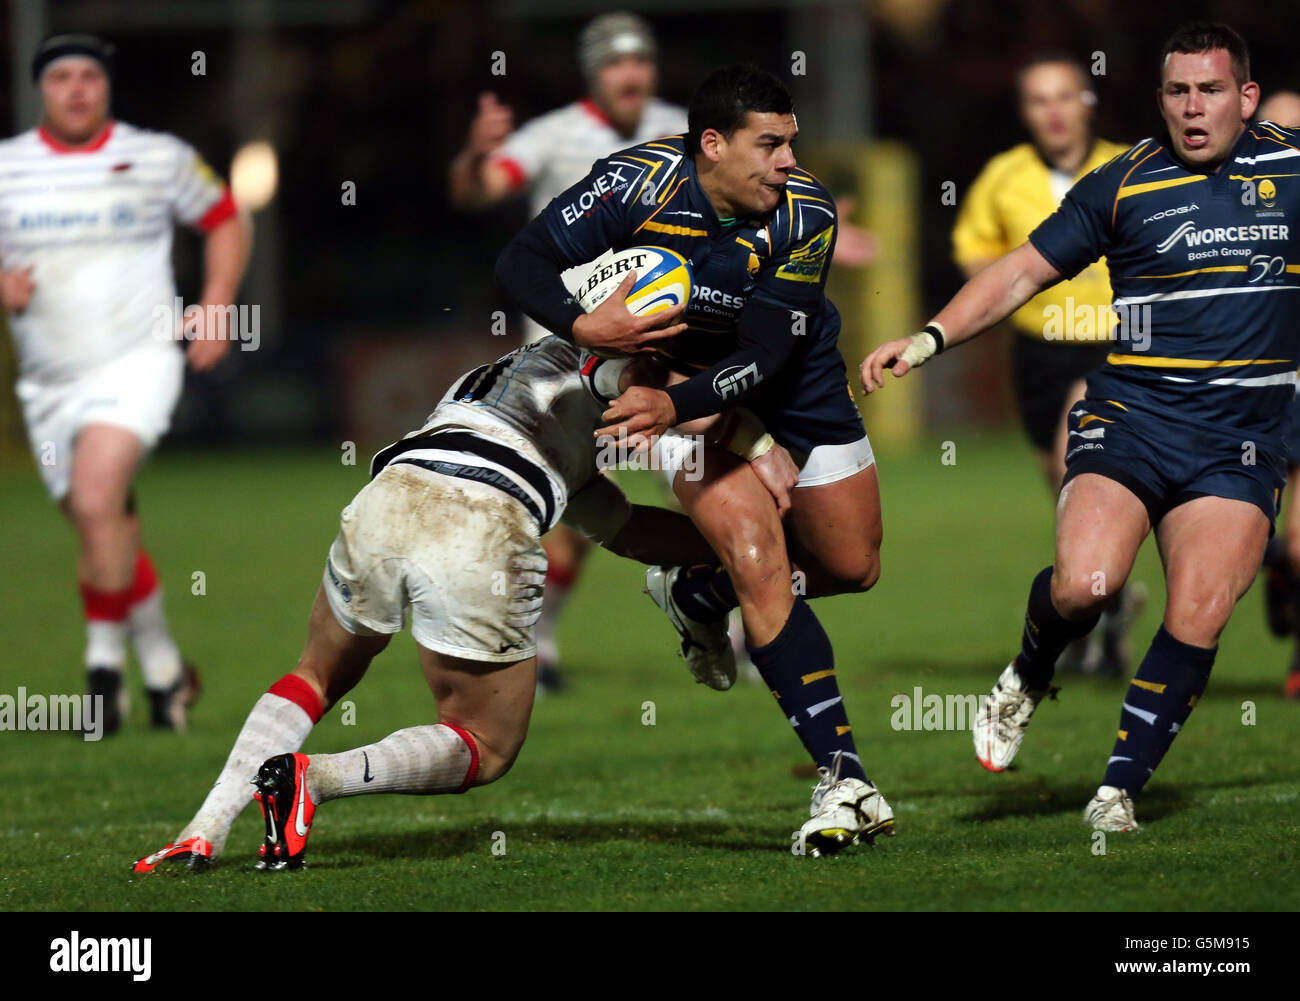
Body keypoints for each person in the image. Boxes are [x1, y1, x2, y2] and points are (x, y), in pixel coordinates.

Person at [132, 335, 796, 871]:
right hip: (481, 521)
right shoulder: (608, 364)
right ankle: (318, 778)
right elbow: (624, 382)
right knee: (486, 741)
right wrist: (757, 441)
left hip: (391, 496)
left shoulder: (505, 374)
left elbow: (618, 525)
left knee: (314, 673)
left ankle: (203, 828)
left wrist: (739, 553)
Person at [862, 23, 1292, 832]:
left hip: (1243, 442)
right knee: (1085, 587)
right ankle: (1029, 672)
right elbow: (1021, 269)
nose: (1192, 108)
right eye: (1176, 92)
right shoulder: (1121, 182)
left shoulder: (1293, 171)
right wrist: (928, 337)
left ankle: (1117, 790)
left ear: (1247, 96)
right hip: (1134, 419)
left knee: (1198, 610)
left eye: (1209, 90)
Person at [496, 64, 894, 856]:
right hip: (666, 379)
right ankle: (844, 773)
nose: (788, 162)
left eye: (792, 143)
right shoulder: (635, 185)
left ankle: (696, 593)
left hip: (789, 378)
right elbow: (522, 262)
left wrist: (712, 418)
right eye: (770, 144)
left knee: (851, 564)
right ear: (711, 144)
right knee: (758, 550)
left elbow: (770, 350)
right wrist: (587, 328)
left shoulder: (803, 213)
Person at [450, 16, 875, 691]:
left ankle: (717, 601)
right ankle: (553, 640)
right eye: (616, 64)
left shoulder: (695, 129)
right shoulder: (560, 139)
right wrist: (476, 160)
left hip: (679, 363)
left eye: (640, 62)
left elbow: (760, 198)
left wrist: (810, 241)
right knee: (594, 509)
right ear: (595, 73)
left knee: (760, 509)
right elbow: (487, 201)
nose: (631, 74)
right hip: (577, 360)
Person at [0, 34, 250, 733]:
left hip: (137, 360)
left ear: (106, 87)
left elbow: (225, 216)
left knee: (95, 495)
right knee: (102, 523)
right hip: (47, 384)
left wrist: (218, 301)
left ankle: (101, 671)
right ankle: (167, 670)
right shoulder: (8, 168)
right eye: (61, 77)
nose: (76, 88)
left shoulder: (157, 156)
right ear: (40, 89)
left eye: (89, 76)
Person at [952, 54, 1141, 677]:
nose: (1054, 111)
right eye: (1039, 100)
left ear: (1087, 101)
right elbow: (974, 251)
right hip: (1037, 351)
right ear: (1025, 112)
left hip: (1111, 347)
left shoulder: (1129, 164)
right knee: (1059, 484)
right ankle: (1105, 603)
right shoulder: (1004, 176)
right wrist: (1017, 277)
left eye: (1065, 96)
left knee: (1073, 459)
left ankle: (1084, 606)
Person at [1252, 89, 1300, 698]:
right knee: (1248, 537)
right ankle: (1277, 573)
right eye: (1276, 127)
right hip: (1243, 395)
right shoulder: (1222, 205)